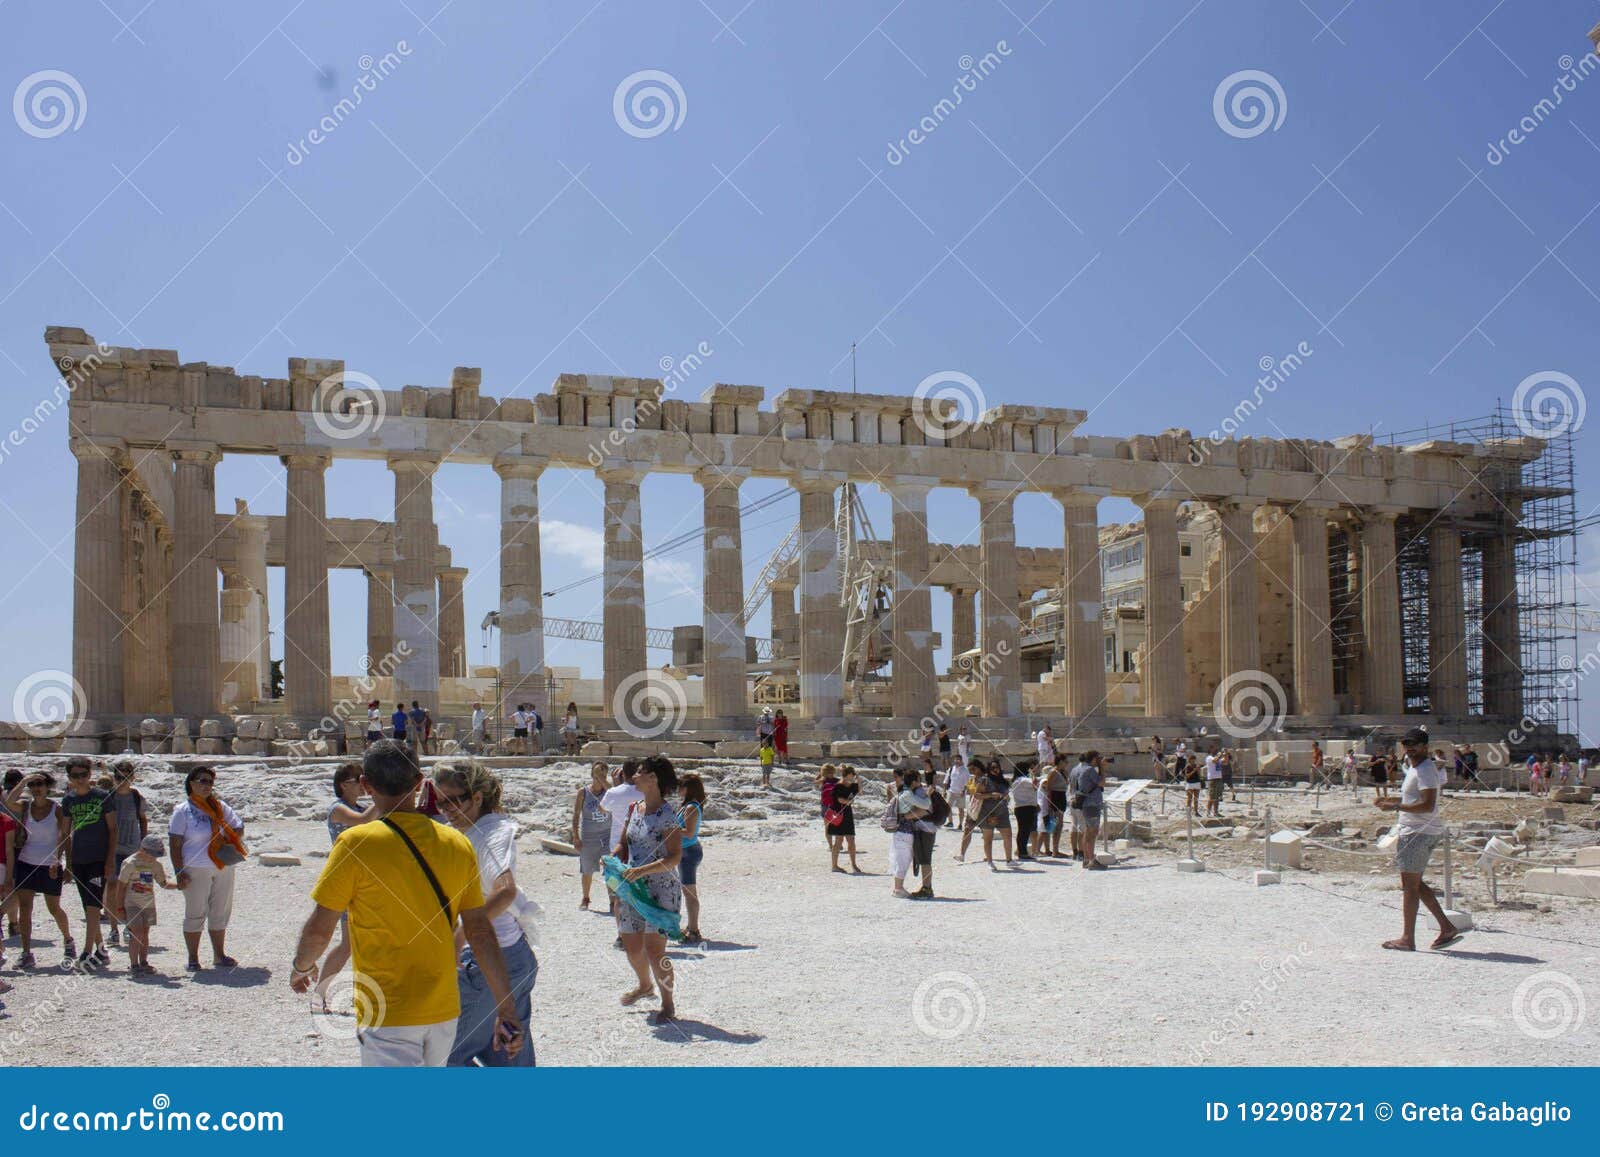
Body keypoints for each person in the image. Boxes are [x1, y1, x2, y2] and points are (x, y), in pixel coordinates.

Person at [290, 741, 524, 1066]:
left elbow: (320, 927)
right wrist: (506, 1008)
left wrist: (301, 967)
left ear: (367, 786)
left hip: (388, 1008)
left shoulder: (355, 843)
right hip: (443, 1009)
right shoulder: (456, 843)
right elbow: (480, 933)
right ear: (419, 782)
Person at [433, 760, 540, 1067]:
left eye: (454, 800)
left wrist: (461, 933)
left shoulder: (492, 835)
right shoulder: (472, 830)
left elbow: (504, 891)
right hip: (511, 957)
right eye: (440, 802)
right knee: (508, 1053)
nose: (446, 809)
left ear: (477, 797)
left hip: (489, 961)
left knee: (444, 1057)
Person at [1378, 728, 1463, 951]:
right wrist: (1394, 801)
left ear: (1425, 746)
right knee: (1413, 883)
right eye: (1406, 744)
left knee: (1409, 886)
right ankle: (1446, 927)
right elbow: (1416, 798)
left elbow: (1427, 805)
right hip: (1417, 830)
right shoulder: (1417, 769)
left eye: (1414, 744)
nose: (1409, 748)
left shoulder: (1425, 769)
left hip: (1418, 832)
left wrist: (1396, 806)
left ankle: (1407, 938)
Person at [617, 755, 684, 1022]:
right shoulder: (634, 808)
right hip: (632, 887)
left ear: (653, 779)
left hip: (661, 889)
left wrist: (642, 871)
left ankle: (668, 1003)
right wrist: (613, 856)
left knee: (656, 951)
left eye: (640, 773)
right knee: (631, 945)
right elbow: (624, 844)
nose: (633, 776)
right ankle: (645, 985)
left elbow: (674, 857)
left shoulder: (668, 816)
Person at [168, 766, 246, 971]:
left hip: (223, 864)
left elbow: (238, 826)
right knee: (195, 911)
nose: (206, 785)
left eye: (209, 782)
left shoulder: (220, 807)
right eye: (202, 781)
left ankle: (219, 955)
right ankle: (193, 958)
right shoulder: (182, 810)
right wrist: (178, 871)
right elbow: (175, 842)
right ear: (191, 783)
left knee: (220, 910)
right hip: (195, 866)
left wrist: (227, 837)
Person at [311, 763, 372, 1014]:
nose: (362, 784)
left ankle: (366, 997)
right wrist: (385, 795)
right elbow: (367, 821)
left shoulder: (360, 806)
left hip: (366, 882)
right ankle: (319, 996)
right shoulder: (338, 809)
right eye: (359, 780)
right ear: (344, 784)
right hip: (346, 883)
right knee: (347, 944)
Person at [61, 754, 117, 969]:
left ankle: (86, 952)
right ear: (69, 777)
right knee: (88, 906)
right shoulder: (68, 800)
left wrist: (110, 859)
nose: (80, 779)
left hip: (98, 858)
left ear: (90, 774)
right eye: (75, 776)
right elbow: (65, 833)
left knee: (94, 904)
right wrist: (67, 862)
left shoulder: (102, 796)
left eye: (83, 774)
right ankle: (101, 951)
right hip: (78, 858)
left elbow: (113, 829)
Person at [11, 772, 72, 969]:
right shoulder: (25, 806)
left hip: (49, 864)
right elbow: (8, 800)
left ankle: (68, 939)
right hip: (26, 861)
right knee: (25, 909)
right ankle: (26, 952)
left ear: (48, 787)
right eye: (33, 784)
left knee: (53, 908)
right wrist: (23, 781)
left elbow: (65, 834)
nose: (37, 788)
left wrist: (60, 861)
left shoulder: (57, 809)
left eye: (41, 784)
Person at [111, 833, 177, 975]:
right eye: (152, 854)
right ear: (143, 850)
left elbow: (163, 884)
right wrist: (119, 907)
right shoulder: (130, 863)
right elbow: (121, 887)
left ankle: (144, 962)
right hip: (131, 903)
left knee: (145, 932)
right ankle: (134, 965)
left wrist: (179, 885)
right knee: (137, 932)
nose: (153, 857)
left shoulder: (156, 865)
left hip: (148, 904)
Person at [105, 758, 148, 950]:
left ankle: (129, 927)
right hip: (112, 849)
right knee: (112, 888)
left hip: (132, 848)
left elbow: (143, 820)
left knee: (132, 890)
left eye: (126, 777)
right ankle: (113, 928)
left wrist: (144, 846)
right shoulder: (108, 797)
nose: (122, 780)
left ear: (133, 777)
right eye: (119, 777)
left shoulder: (137, 797)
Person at [571, 762, 612, 910]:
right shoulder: (583, 792)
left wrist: (601, 779)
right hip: (589, 836)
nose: (599, 778)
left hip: (607, 835)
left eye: (603, 775)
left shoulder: (609, 791)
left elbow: (613, 792)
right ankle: (586, 897)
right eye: (597, 775)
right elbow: (576, 815)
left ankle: (612, 901)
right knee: (587, 869)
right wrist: (575, 836)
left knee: (610, 868)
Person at [889, 769, 929, 898]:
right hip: (904, 831)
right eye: (919, 780)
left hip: (901, 831)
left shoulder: (903, 791)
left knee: (900, 858)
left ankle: (898, 887)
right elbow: (926, 805)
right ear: (914, 781)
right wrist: (928, 794)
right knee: (903, 860)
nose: (920, 783)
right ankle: (898, 889)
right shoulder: (908, 794)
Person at [678, 773, 707, 942]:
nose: (678, 790)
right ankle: (691, 926)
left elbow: (688, 833)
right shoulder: (688, 806)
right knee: (687, 891)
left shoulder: (691, 808)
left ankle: (694, 930)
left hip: (688, 851)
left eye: (681, 786)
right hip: (685, 850)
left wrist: (668, 830)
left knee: (690, 892)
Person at [1070, 751, 1107, 870]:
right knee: (1092, 832)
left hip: (1081, 803)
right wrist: (1102, 768)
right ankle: (1091, 860)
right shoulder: (1090, 770)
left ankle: (1086, 858)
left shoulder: (1075, 769)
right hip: (1091, 803)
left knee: (1087, 831)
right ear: (1094, 759)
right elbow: (1101, 783)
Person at [974, 758, 1013, 868]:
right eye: (993, 768)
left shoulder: (1003, 781)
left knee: (1008, 835)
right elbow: (976, 795)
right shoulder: (984, 780)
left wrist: (1006, 798)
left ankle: (1009, 860)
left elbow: (1007, 795)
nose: (995, 770)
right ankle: (990, 862)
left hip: (1002, 812)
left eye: (997, 767)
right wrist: (991, 795)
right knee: (988, 838)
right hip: (988, 812)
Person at [826, 765, 862, 872]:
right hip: (838, 815)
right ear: (845, 776)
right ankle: (834, 865)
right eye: (849, 777)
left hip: (847, 815)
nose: (851, 779)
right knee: (838, 840)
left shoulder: (852, 785)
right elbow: (839, 799)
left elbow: (860, 791)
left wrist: (859, 781)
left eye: (852, 777)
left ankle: (854, 864)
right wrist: (847, 802)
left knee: (851, 840)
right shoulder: (839, 786)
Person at [1011, 766, 1039, 861]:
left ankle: (1021, 851)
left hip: (1019, 807)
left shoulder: (1015, 781)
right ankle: (1023, 853)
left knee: (1022, 831)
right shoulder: (1024, 780)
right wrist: (1033, 774)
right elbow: (1035, 783)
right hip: (1027, 807)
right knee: (1025, 831)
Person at [943, 750, 970, 829]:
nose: (956, 761)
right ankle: (950, 822)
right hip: (951, 791)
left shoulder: (965, 770)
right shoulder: (951, 769)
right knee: (947, 807)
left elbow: (967, 782)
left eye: (958, 760)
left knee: (960, 809)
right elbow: (946, 779)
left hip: (960, 792)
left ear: (961, 760)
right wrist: (944, 790)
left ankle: (960, 824)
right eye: (955, 760)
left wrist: (964, 791)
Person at [1203, 749, 1223, 818]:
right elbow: (1215, 761)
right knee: (1211, 797)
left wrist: (1226, 754)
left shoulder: (1218, 758)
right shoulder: (1209, 758)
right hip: (1213, 779)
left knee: (1217, 797)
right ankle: (1208, 812)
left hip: (1218, 778)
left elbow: (1225, 762)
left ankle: (1216, 812)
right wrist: (1220, 755)